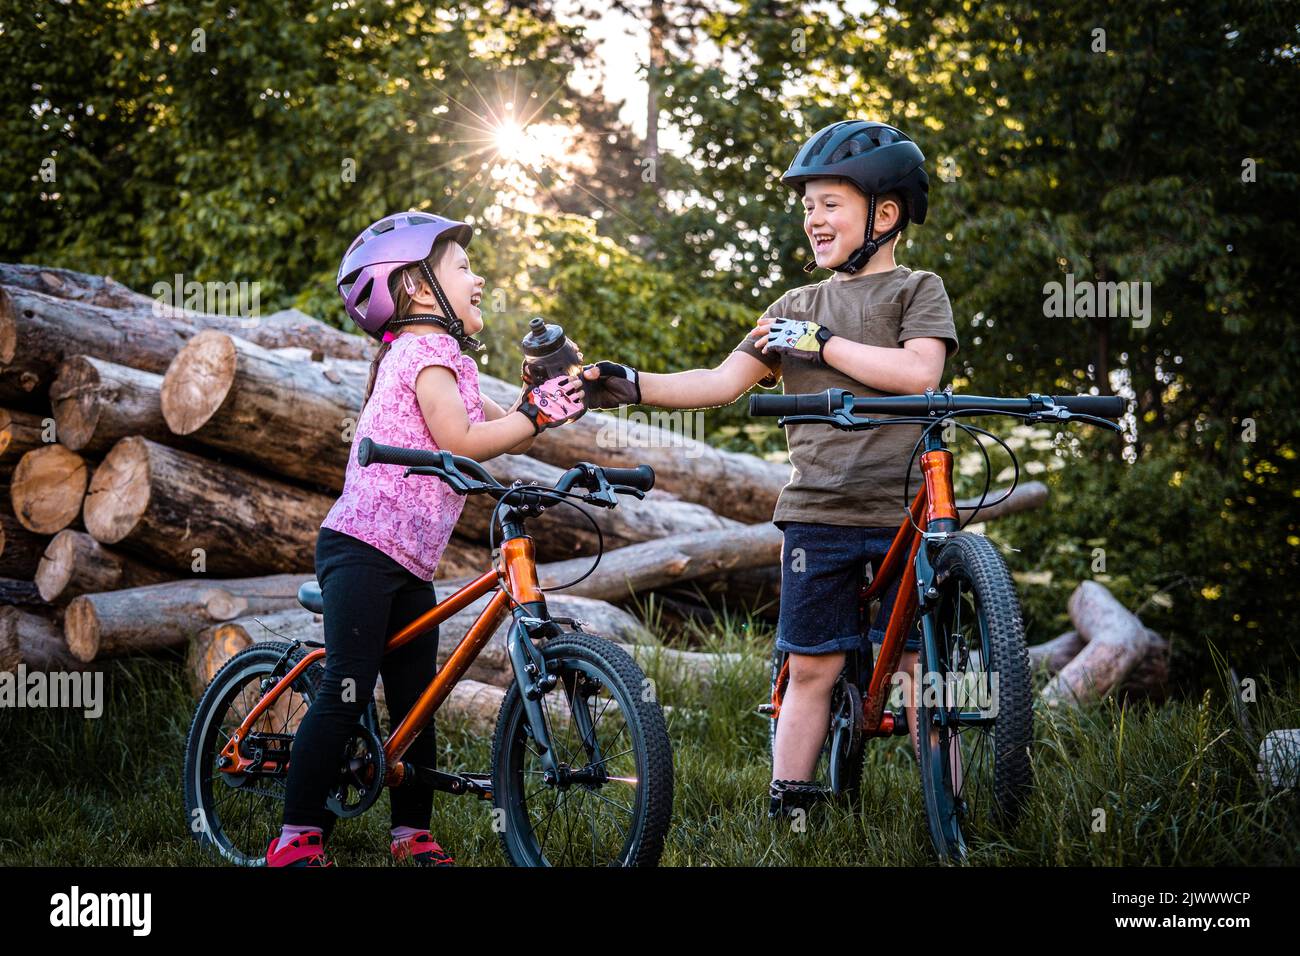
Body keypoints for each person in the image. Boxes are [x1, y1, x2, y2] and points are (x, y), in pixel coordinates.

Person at [581, 121, 960, 818]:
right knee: (813, 663)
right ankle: (791, 797)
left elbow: (918, 373)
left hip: (907, 511)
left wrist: (825, 345)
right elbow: (719, 382)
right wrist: (630, 382)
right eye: (807, 205)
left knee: (915, 667)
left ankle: (952, 805)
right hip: (818, 510)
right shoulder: (792, 307)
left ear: (885, 213)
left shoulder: (915, 290)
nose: (812, 217)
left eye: (829, 203)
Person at [267, 211, 586, 867]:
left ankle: (411, 833)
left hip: (410, 562)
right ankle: (296, 835)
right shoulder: (421, 354)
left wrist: (558, 400)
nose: (478, 278)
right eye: (463, 267)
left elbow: (505, 428)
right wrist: (532, 413)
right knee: (347, 687)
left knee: (418, 700)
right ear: (415, 286)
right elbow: (464, 442)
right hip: (361, 546)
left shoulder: (453, 363)